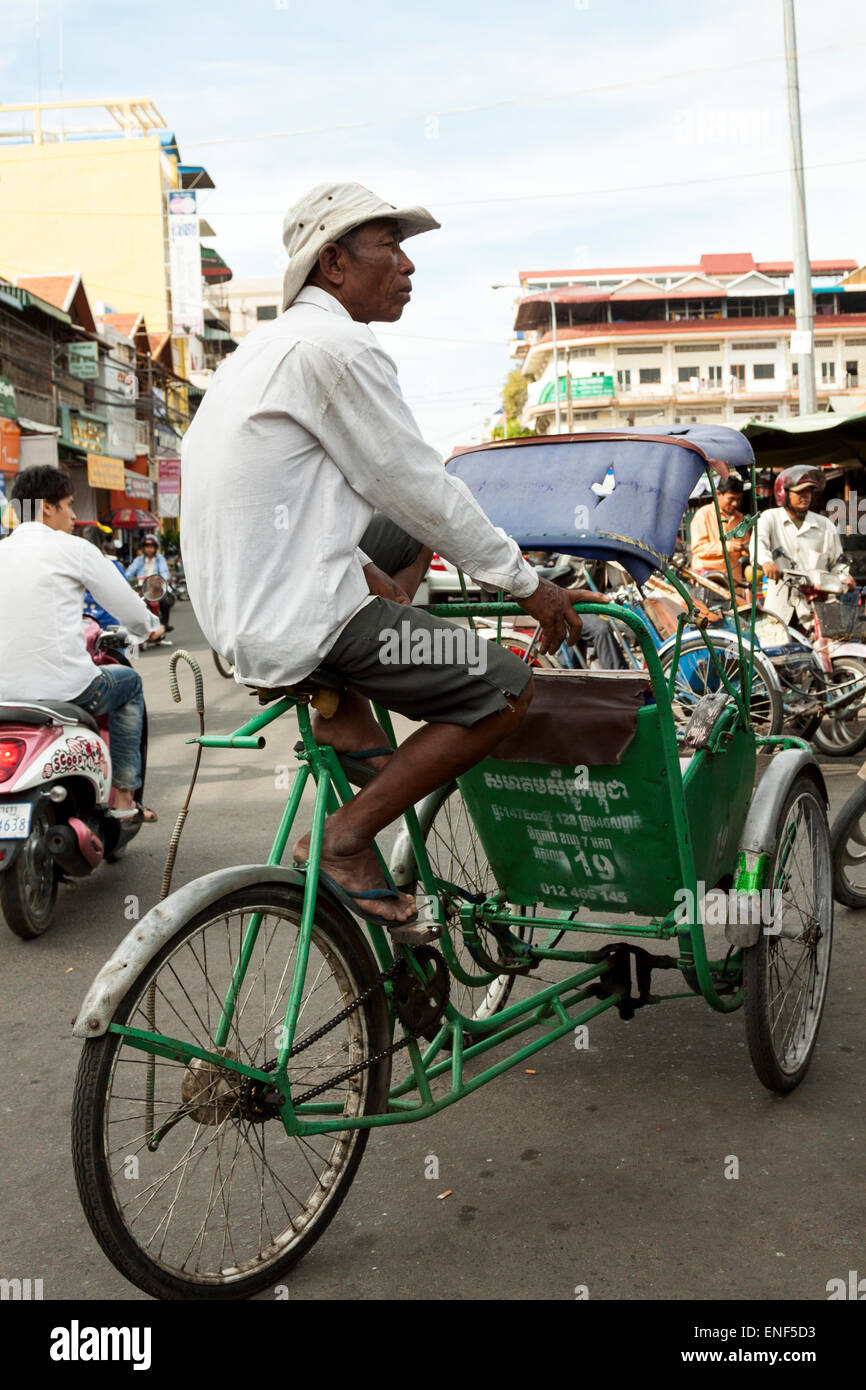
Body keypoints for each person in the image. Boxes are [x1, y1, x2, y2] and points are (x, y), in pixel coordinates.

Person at [181, 181, 591, 938]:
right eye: (390, 249)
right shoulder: (336, 345)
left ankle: (385, 907)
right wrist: (527, 585)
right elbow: (414, 485)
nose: (407, 266)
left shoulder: (259, 351)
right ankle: (342, 838)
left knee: (377, 738)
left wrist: (371, 576)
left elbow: (300, 505)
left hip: (243, 620)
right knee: (502, 688)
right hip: (304, 624)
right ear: (333, 264)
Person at [0, 466, 164, 822]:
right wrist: (150, 627)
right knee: (129, 683)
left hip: (4, 696)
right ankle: (123, 797)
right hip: (65, 691)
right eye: (69, 505)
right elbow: (130, 611)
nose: (75, 515)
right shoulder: (75, 549)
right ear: (46, 507)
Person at [757, 465, 854, 627]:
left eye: (809, 492)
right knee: (777, 649)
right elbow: (759, 544)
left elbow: (838, 563)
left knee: (826, 649)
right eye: (800, 492)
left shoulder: (825, 525)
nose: (806, 496)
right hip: (781, 603)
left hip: (819, 604)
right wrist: (766, 562)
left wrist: (845, 577)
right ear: (783, 493)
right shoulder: (769, 519)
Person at [689, 474, 750, 584]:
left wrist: (748, 549)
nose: (735, 503)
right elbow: (699, 548)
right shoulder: (703, 515)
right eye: (731, 499)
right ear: (718, 494)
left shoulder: (740, 518)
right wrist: (729, 546)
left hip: (734, 580)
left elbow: (745, 548)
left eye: (739, 499)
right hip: (709, 580)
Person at [126, 534, 173, 631]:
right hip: (142, 588)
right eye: (147, 546)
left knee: (165, 601)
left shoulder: (160, 559)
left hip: (157, 588)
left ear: (155, 548)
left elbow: (164, 573)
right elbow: (128, 574)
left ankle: (164, 624)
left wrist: (159, 580)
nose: (149, 549)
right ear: (143, 548)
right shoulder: (138, 560)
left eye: (151, 546)